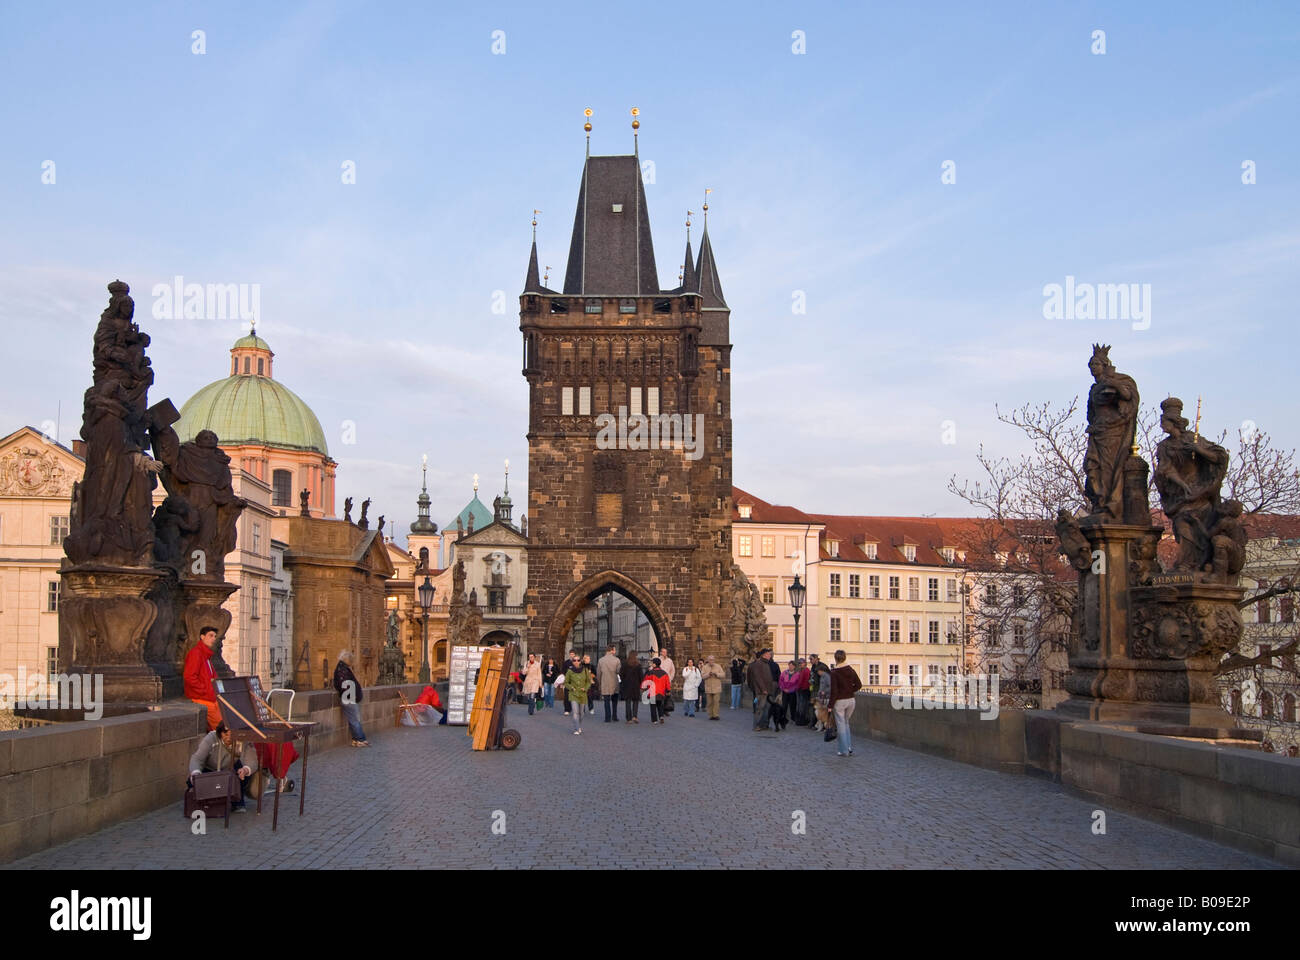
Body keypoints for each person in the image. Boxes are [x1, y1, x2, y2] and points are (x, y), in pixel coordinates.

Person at [187, 721, 257, 812]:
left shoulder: (243, 740)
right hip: (209, 769)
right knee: (192, 781)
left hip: (229, 769)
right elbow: (197, 758)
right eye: (225, 734)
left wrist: (245, 770)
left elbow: (252, 761)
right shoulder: (211, 738)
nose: (229, 738)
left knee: (243, 775)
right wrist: (196, 772)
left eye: (232, 735)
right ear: (220, 733)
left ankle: (237, 800)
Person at [183, 626, 222, 731]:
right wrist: (204, 690)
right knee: (223, 728)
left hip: (210, 698)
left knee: (227, 722)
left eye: (214, 636)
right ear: (202, 637)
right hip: (203, 698)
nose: (213, 639)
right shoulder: (196, 653)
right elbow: (189, 676)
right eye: (210, 636)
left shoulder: (206, 655)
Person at [828, 649, 863, 757]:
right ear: (845, 658)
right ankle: (849, 747)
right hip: (851, 700)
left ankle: (844, 750)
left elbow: (834, 691)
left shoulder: (834, 672)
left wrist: (830, 705)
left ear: (835, 658)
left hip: (840, 701)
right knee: (846, 723)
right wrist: (849, 690)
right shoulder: (850, 670)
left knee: (841, 726)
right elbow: (859, 685)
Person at [333, 650, 370, 746]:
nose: (352, 662)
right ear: (347, 660)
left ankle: (356, 739)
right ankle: (360, 739)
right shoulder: (342, 669)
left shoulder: (342, 668)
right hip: (349, 698)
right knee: (355, 720)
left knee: (353, 720)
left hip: (349, 697)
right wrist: (352, 695)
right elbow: (344, 685)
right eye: (351, 660)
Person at [746, 649, 777, 732]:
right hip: (761, 691)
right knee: (759, 708)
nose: (770, 656)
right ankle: (756, 725)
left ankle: (764, 725)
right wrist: (763, 689)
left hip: (767, 690)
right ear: (764, 655)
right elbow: (758, 678)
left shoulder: (765, 663)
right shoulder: (758, 664)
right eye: (768, 654)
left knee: (766, 708)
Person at [564, 655, 593, 735]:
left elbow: (588, 681)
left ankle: (579, 725)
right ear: (572, 662)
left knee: (581, 713)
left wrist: (586, 688)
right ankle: (576, 728)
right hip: (573, 693)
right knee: (575, 712)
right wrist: (571, 687)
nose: (576, 662)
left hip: (582, 694)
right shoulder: (569, 671)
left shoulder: (585, 670)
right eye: (574, 660)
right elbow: (566, 682)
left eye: (578, 660)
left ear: (580, 661)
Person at [597, 644, 622, 722]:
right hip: (614, 682)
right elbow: (619, 671)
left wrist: (599, 682)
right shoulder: (617, 660)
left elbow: (598, 673)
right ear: (611, 651)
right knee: (615, 701)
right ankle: (614, 716)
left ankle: (607, 717)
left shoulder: (601, 660)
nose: (615, 651)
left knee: (606, 701)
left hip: (605, 682)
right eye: (614, 650)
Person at [643, 657, 670, 724]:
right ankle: (661, 716)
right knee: (660, 705)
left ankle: (654, 720)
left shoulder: (650, 673)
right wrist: (668, 690)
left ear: (654, 664)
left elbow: (646, 681)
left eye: (652, 663)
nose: (651, 664)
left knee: (653, 706)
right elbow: (667, 683)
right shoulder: (664, 673)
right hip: (661, 692)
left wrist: (644, 688)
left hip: (652, 692)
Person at [811, 657, 834, 734]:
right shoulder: (822, 677)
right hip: (822, 697)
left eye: (818, 671)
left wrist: (824, 692)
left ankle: (827, 728)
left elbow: (830, 687)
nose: (817, 673)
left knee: (826, 714)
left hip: (827, 697)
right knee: (823, 714)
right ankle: (823, 727)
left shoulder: (827, 676)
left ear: (821, 671)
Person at [621, 651, 644, 723]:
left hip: (627, 685)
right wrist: (641, 685)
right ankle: (635, 716)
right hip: (636, 686)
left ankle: (629, 718)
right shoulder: (638, 665)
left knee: (628, 702)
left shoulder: (625, 664)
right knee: (635, 701)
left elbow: (621, 675)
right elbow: (641, 676)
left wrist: (622, 682)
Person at [701, 656, 726, 720]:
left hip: (716, 687)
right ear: (708, 660)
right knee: (709, 702)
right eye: (710, 660)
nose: (711, 661)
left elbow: (723, 675)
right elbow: (702, 676)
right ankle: (710, 715)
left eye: (712, 660)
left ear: (714, 660)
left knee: (716, 702)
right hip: (708, 687)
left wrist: (716, 674)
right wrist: (708, 674)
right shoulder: (705, 667)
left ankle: (716, 715)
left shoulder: (718, 666)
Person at [795, 659, 812, 726]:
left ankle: (802, 720)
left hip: (804, 690)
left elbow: (802, 681)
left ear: (805, 663)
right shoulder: (802, 670)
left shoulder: (805, 671)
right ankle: (801, 719)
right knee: (801, 705)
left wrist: (798, 687)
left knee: (803, 706)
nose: (799, 664)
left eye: (801, 663)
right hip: (802, 689)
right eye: (799, 663)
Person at [561, 650, 576, 715]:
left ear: (575, 655)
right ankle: (567, 709)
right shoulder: (566, 663)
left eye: (573, 654)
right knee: (566, 696)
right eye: (571, 654)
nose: (572, 655)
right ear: (569, 655)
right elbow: (563, 672)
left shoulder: (577, 662)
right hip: (567, 682)